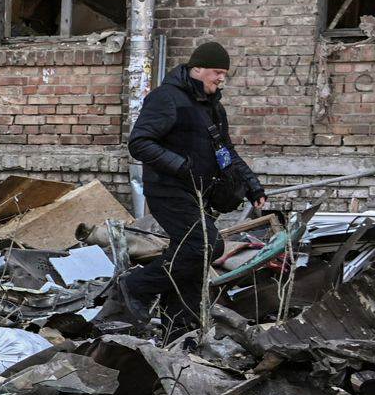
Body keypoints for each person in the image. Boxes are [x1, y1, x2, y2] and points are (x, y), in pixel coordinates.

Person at [113, 40, 264, 326]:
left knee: (190, 260)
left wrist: (252, 186)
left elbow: (226, 152)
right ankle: (135, 286)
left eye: (224, 74)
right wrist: (182, 167)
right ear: (196, 69)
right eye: (216, 72)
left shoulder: (213, 108)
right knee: (206, 245)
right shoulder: (166, 98)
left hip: (199, 194)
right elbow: (140, 143)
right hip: (168, 191)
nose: (221, 79)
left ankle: (180, 330)